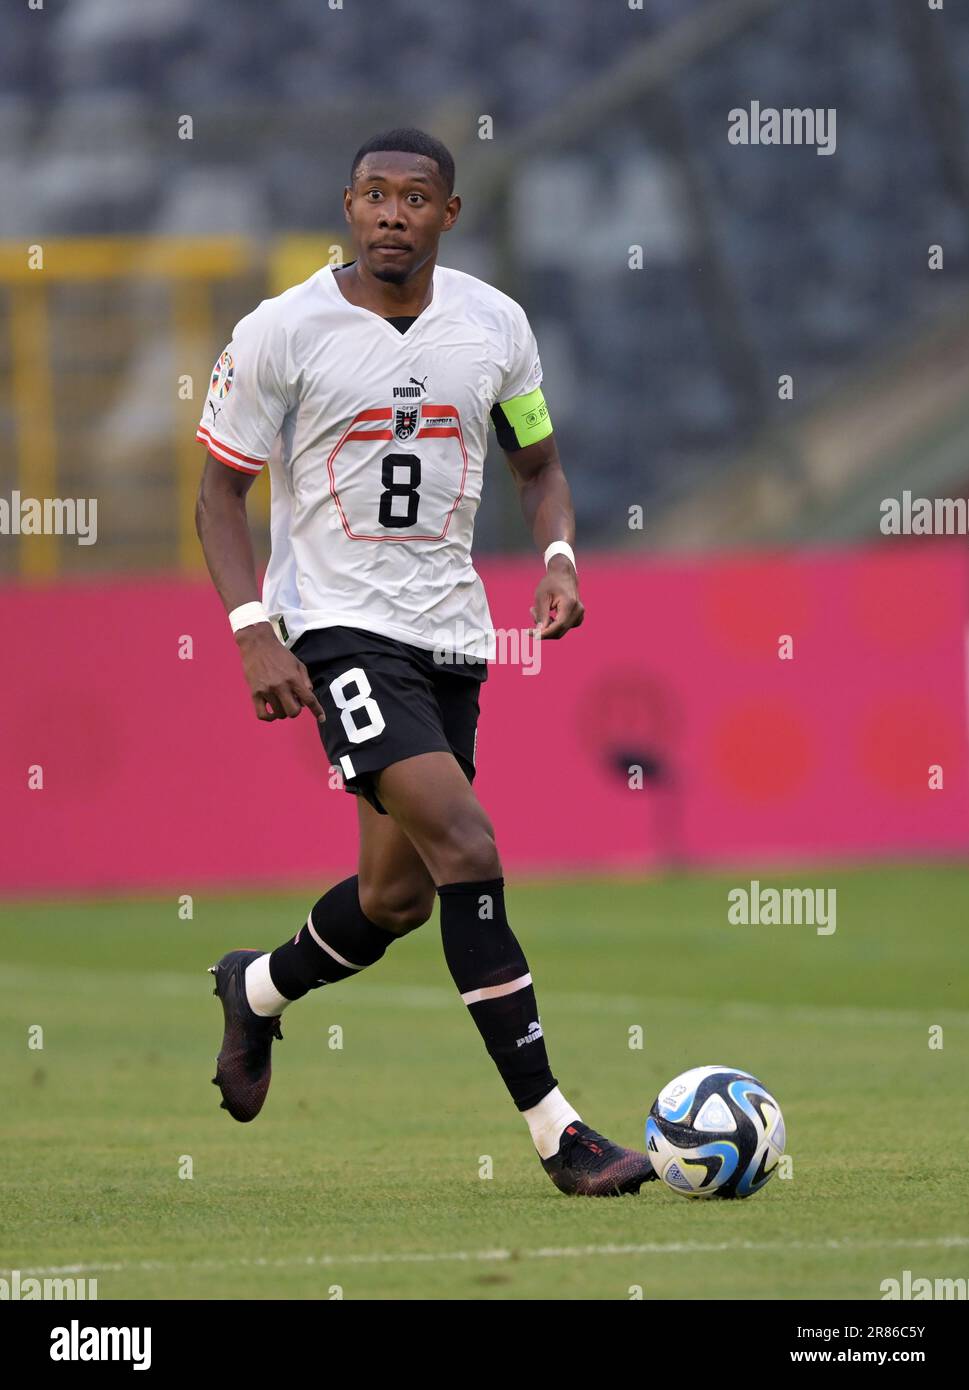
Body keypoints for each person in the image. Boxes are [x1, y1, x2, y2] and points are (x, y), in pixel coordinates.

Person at [195, 127, 655, 1197]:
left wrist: (557, 556)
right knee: (468, 844)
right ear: (347, 207)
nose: (391, 213)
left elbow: (538, 464)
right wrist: (253, 628)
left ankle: (254, 989)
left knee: (395, 898)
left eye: (414, 198)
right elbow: (220, 490)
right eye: (372, 195)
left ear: (449, 214)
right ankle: (560, 1133)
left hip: (452, 636)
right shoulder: (281, 332)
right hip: (339, 630)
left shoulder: (496, 325)